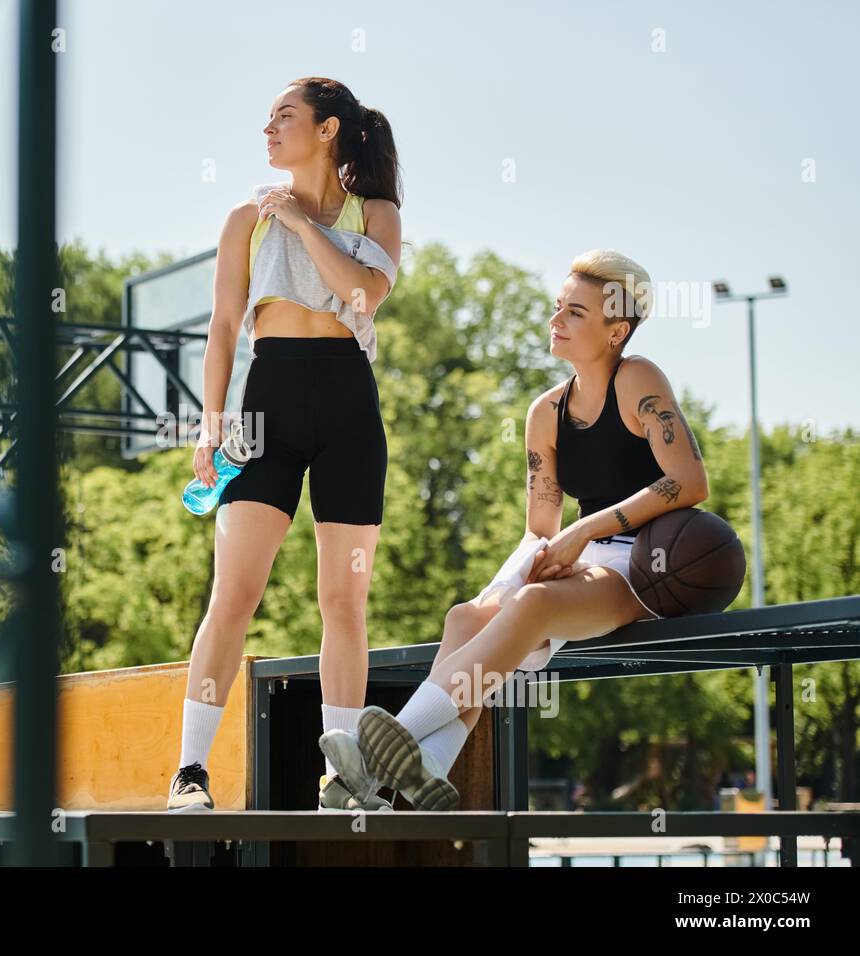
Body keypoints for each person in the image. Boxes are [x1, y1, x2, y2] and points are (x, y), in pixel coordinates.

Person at [320, 249, 710, 810]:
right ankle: (430, 771)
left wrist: (581, 535)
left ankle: (372, 756)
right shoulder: (545, 412)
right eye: (558, 307)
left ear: (616, 329)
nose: (556, 320)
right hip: (589, 561)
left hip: (654, 566)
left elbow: (689, 481)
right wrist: (505, 581)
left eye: (575, 313)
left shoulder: (638, 379)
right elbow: (539, 529)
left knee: (529, 606)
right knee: (467, 616)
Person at [166, 77, 403, 812]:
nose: (268, 129)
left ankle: (342, 776)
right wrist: (210, 422)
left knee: (344, 600)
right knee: (232, 594)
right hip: (267, 400)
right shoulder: (245, 216)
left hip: (347, 404)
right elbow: (224, 327)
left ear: (328, 129)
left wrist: (305, 225)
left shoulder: (377, 212)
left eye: (285, 117)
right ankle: (190, 774)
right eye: (267, 118)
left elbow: (363, 295)